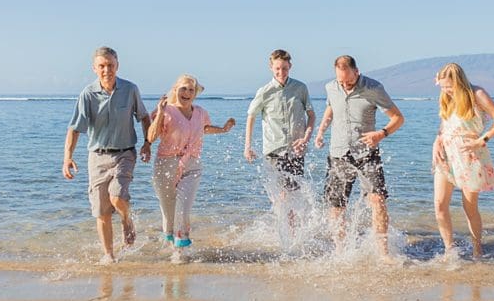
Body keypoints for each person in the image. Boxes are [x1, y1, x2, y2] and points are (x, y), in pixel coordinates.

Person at [62, 46, 152, 265]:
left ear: (117, 66)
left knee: (117, 197)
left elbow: (144, 117)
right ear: (94, 68)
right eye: (101, 66)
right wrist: (67, 157)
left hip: (125, 154)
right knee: (101, 211)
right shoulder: (87, 94)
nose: (106, 70)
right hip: (97, 157)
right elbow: (74, 128)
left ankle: (126, 220)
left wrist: (148, 143)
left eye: (110, 65)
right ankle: (109, 256)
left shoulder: (130, 89)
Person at [314, 55, 405, 258]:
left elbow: (398, 118)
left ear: (357, 72)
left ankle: (383, 254)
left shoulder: (373, 88)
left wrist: (381, 133)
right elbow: (331, 108)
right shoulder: (331, 87)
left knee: (378, 200)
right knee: (336, 206)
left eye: (350, 81)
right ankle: (340, 252)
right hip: (338, 153)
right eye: (341, 81)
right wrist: (320, 131)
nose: (345, 85)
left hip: (366, 154)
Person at [148, 74, 235, 263]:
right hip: (166, 164)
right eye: (183, 89)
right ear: (175, 90)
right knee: (168, 212)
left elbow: (204, 128)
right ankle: (170, 247)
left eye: (191, 90)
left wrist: (223, 129)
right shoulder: (166, 110)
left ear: (195, 94)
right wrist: (161, 113)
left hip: (192, 165)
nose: (187, 93)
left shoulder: (201, 112)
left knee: (183, 210)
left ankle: (181, 252)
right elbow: (151, 137)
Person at [431, 63, 494, 259]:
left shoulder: (477, 94)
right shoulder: (446, 98)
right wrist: (436, 142)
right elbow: (445, 125)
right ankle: (450, 250)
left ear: (459, 82)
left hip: (468, 155)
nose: (446, 91)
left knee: (469, 207)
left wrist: (482, 140)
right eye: (443, 87)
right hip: (446, 154)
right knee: (439, 206)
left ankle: (477, 250)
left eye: (449, 87)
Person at [244, 49, 315, 229]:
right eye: (277, 69)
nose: (281, 72)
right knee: (282, 194)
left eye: (284, 68)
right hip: (274, 151)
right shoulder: (264, 92)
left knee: (294, 193)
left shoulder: (300, 88)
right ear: (271, 67)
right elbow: (251, 116)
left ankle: (290, 230)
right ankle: (286, 231)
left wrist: (306, 137)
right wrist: (248, 146)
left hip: (296, 150)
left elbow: (311, 115)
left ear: (290, 66)